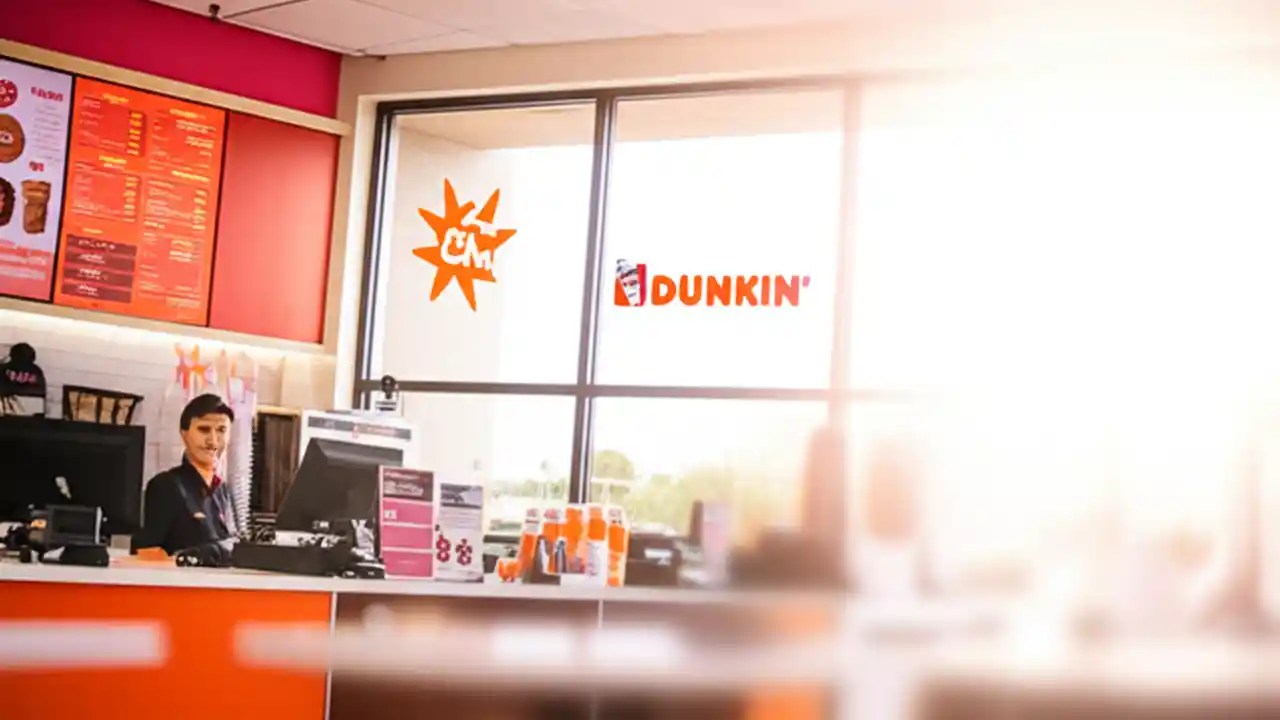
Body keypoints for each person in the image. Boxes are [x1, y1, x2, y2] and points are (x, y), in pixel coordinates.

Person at [132, 394, 237, 560]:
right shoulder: (166, 485)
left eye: (221, 430)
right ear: (184, 434)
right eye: (204, 429)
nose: (213, 440)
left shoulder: (224, 490)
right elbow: (145, 553)